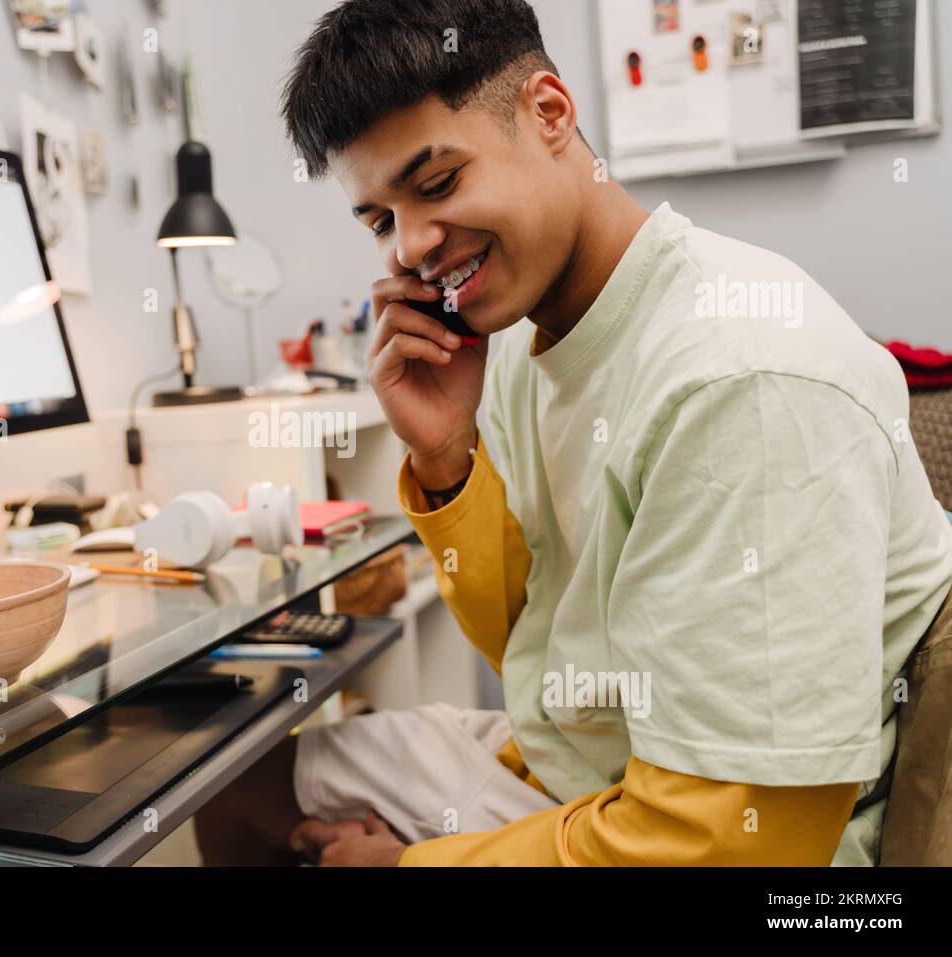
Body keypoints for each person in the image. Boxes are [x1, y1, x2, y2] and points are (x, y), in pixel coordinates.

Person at [195, 0, 952, 866]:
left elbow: (738, 845)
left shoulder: (737, 379)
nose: (411, 248)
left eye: (437, 184)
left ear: (550, 113)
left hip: (753, 847)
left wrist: (408, 865)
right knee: (240, 790)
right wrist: (444, 458)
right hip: (583, 761)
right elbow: (533, 645)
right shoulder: (518, 332)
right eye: (379, 219)